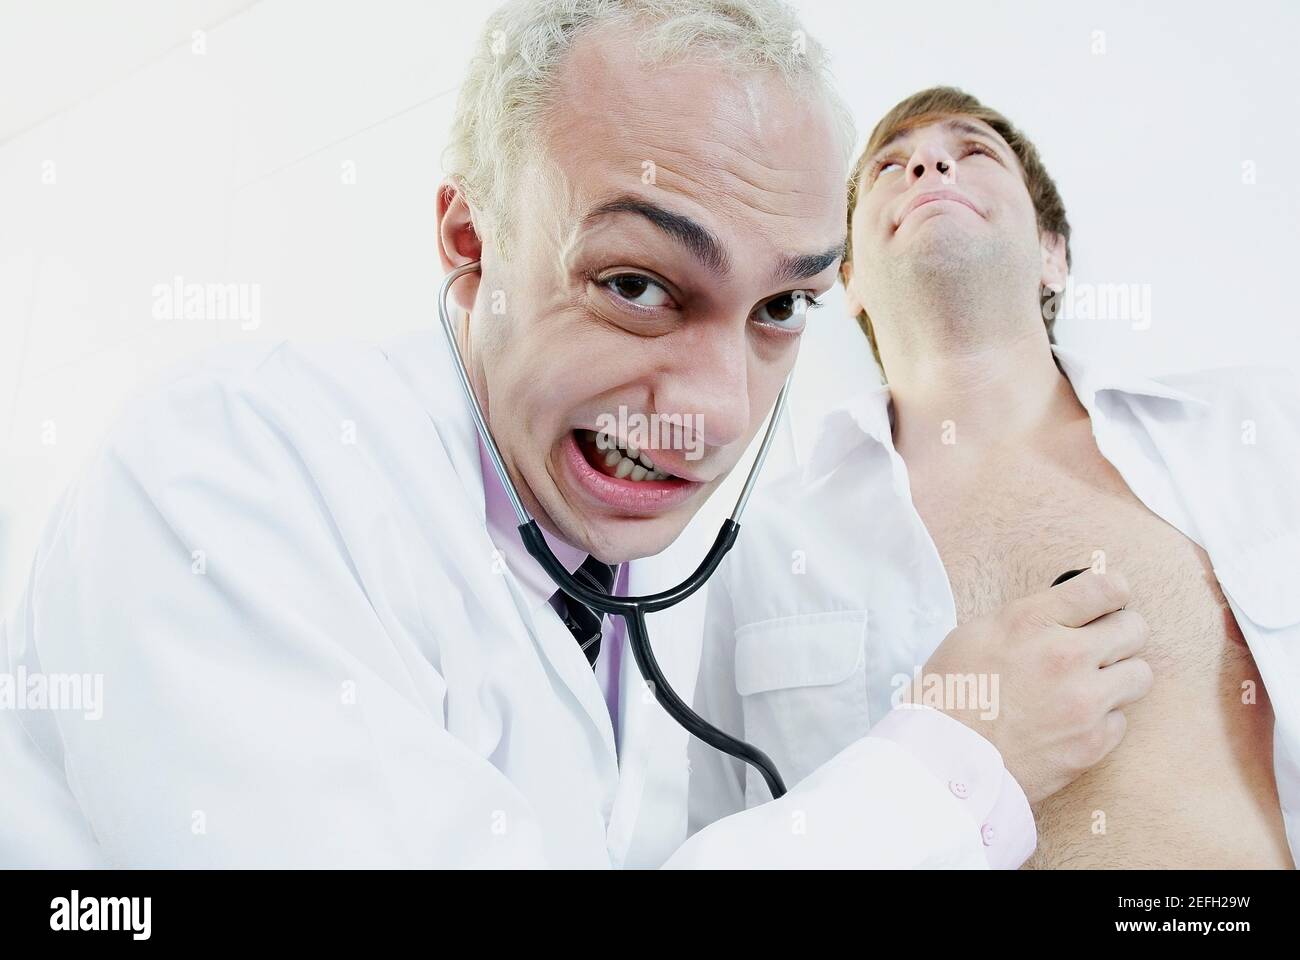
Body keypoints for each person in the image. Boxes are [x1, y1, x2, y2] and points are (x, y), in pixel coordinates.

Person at [1, 5, 1136, 869]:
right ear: (470, 239)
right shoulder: (230, 469)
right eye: (637, 282)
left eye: (779, 309)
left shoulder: (630, 595)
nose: (721, 412)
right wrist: (943, 773)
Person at [691, 86, 1298, 868]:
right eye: (890, 166)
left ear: (1054, 254)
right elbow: (696, 836)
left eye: (972, 152)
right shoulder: (758, 548)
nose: (929, 164)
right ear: (851, 284)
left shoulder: (1257, 433)